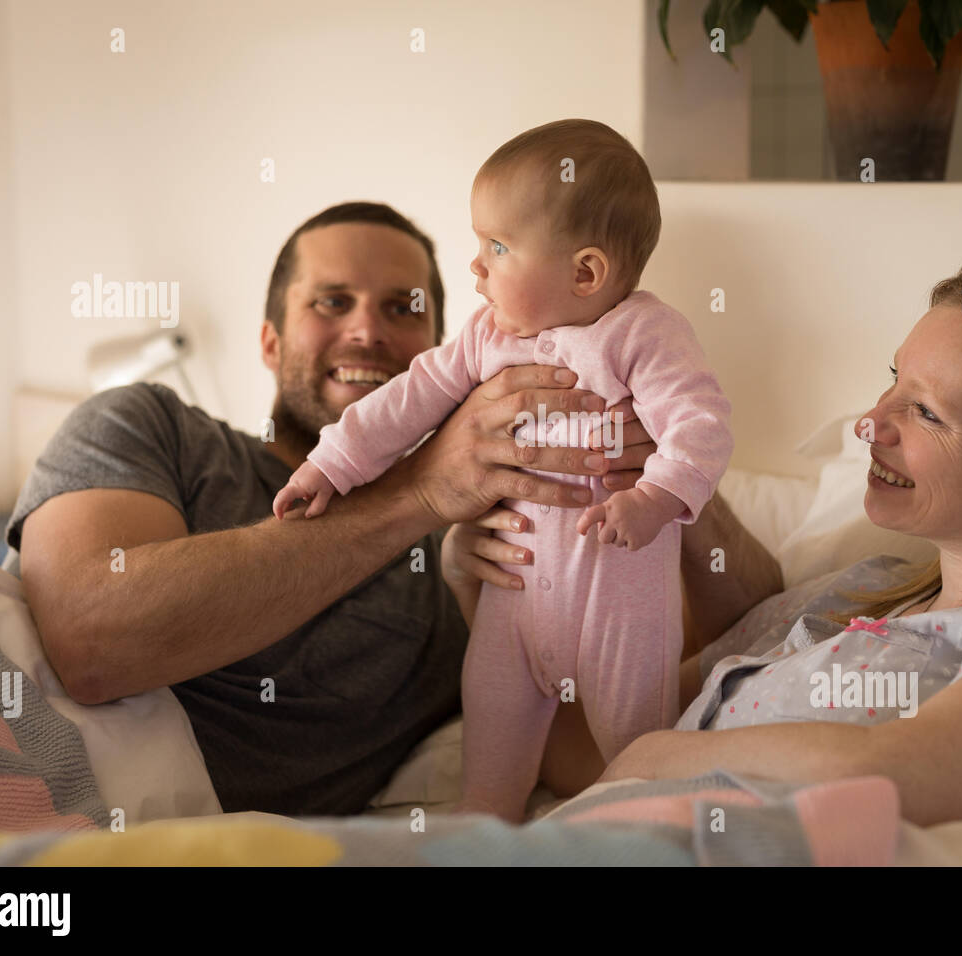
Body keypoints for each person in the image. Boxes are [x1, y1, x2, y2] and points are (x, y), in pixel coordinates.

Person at [5, 201, 725, 816]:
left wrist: (666, 473)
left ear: (445, 350)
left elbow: (599, 737)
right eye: (331, 302)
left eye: (402, 308)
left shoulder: (475, 536)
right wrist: (415, 492)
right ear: (269, 340)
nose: (366, 332)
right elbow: (92, 639)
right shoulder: (150, 427)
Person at [454, 263, 962, 840]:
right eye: (893, 381)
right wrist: (489, 584)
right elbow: (571, 757)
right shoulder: (859, 595)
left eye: (924, 411)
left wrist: (652, 756)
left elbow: (885, 777)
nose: (869, 423)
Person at [272, 120, 734, 823]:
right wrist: (332, 462)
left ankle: (647, 825)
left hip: (616, 606)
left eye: (496, 246)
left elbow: (699, 424)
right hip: (512, 596)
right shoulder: (487, 336)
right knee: (491, 738)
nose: (475, 268)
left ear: (585, 272)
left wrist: (657, 496)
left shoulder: (642, 333)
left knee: (637, 758)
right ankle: (486, 823)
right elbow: (408, 398)